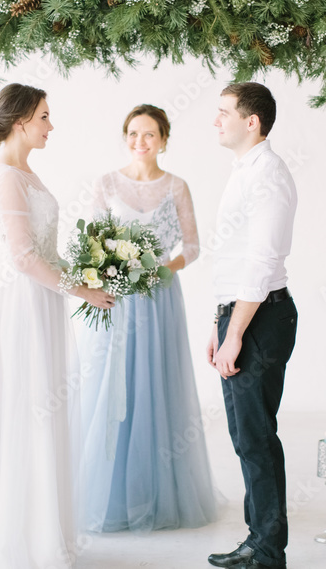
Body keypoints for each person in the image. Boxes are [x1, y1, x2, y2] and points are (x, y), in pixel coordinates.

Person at [0, 84, 114, 568]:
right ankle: (19, 539)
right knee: (24, 408)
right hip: (22, 305)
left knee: (45, 406)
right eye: (44, 116)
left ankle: (44, 529)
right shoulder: (6, 177)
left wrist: (91, 272)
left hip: (44, 301)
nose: (50, 125)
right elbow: (22, 257)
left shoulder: (29, 174)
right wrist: (80, 290)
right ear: (21, 121)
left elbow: (46, 251)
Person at [79, 104, 217, 533]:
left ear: (164, 139)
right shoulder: (106, 183)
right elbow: (93, 242)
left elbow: (192, 247)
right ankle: (109, 494)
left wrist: (162, 270)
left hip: (158, 297)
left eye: (149, 134)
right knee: (109, 383)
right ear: (125, 137)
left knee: (155, 384)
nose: (140, 142)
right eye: (133, 134)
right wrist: (109, 272)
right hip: (117, 299)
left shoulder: (177, 187)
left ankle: (157, 492)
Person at [207, 83, 298, 569]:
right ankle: (258, 540)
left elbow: (262, 263)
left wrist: (236, 332)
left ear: (252, 122)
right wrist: (217, 327)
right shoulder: (244, 171)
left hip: (261, 318)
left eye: (224, 113)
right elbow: (231, 260)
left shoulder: (268, 175)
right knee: (247, 437)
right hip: (241, 316)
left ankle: (266, 550)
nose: (216, 120)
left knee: (256, 437)